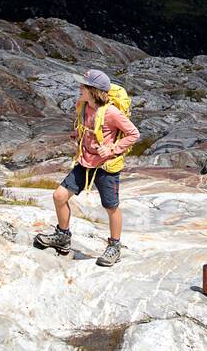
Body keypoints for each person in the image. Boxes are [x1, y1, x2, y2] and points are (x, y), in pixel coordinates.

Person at [34, 69, 139, 266]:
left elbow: (133, 134)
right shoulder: (84, 106)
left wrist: (113, 149)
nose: (79, 88)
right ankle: (63, 236)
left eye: (83, 86)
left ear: (94, 90)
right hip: (85, 162)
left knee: (111, 206)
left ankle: (114, 246)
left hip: (105, 167)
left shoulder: (111, 112)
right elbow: (89, 127)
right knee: (59, 196)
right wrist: (79, 134)